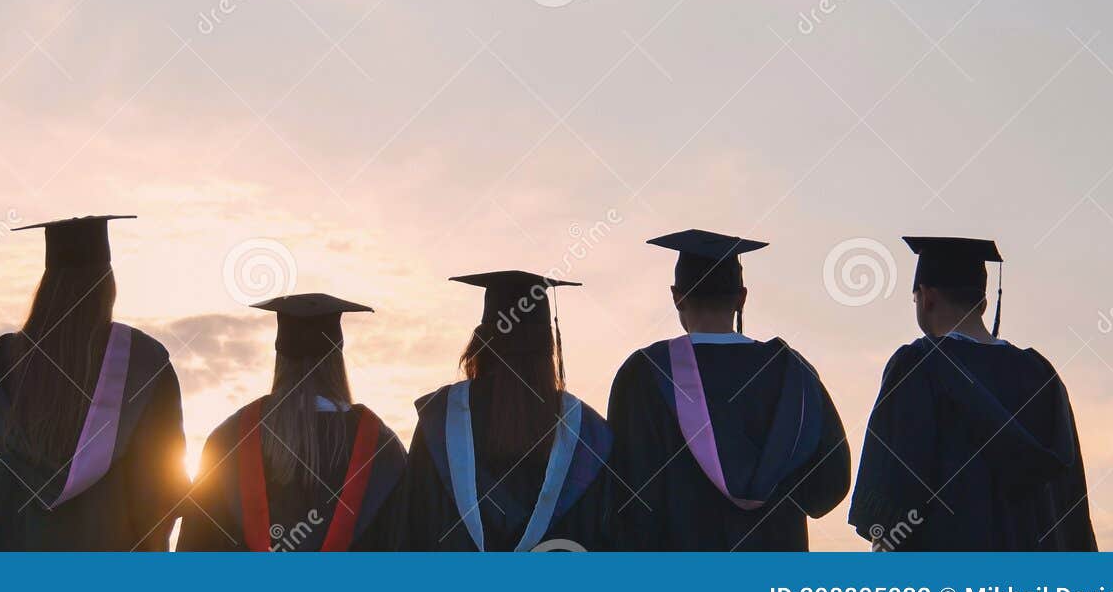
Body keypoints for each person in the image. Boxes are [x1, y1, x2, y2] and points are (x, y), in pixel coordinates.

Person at [0, 215, 186, 550]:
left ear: (46, 285)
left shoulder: (2, 365)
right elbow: (160, 495)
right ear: (107, 286)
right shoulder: (143, 364)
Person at [849, 236, 1096, 550]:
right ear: (983, 304)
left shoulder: (917, 368)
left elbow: (890, 494)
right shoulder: (1041, 376)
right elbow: (1070, 498)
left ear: (926, 298)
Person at [607, 230, 849, 550]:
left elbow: (622, 495)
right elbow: (829, 485)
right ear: (741, 297)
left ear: (677, 296)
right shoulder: (794, 375)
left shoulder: (643, 375)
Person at [401, 270, 614, 551]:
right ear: (549, 345)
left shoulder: (440, 420)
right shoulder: (587, 432)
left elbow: (412, 530)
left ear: (481, 342)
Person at [179, 293, 407, 551]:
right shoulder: (381, 446)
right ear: (336, 359)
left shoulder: (229, 439)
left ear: (281, 359)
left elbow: (196, 544)